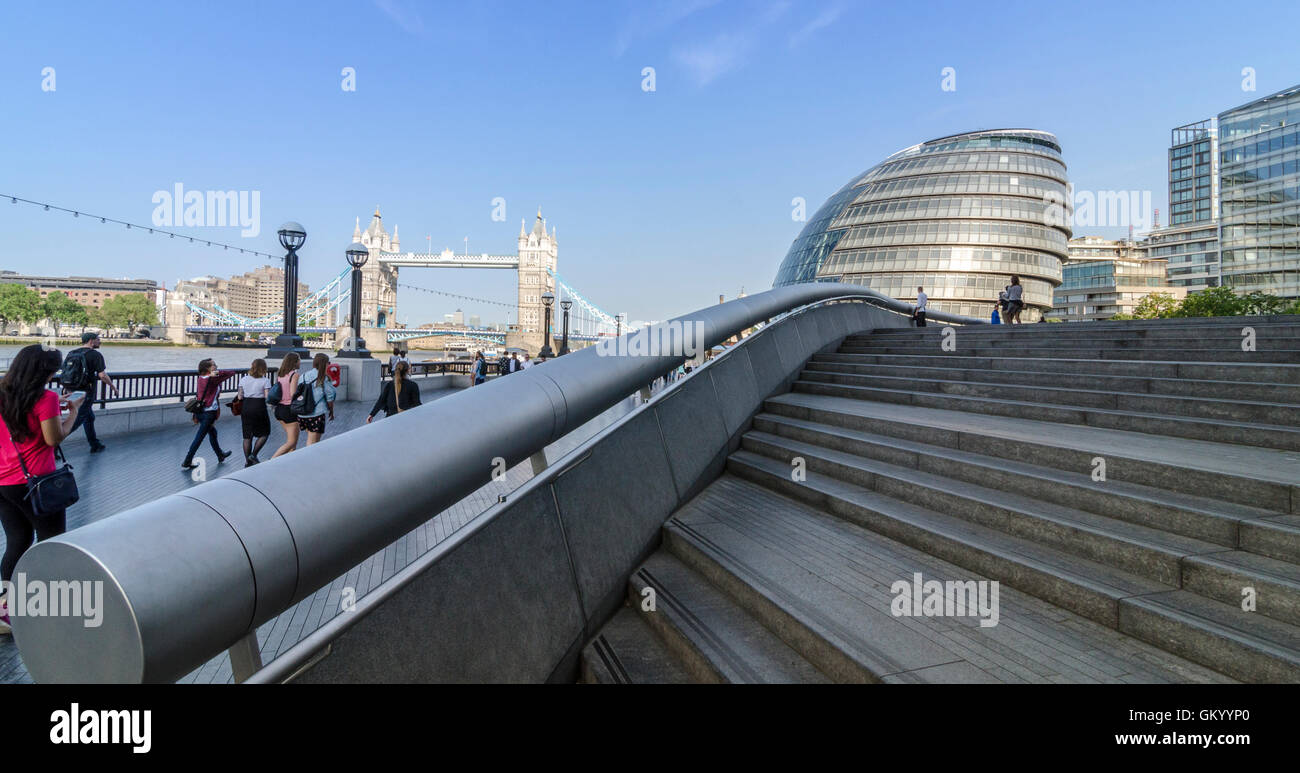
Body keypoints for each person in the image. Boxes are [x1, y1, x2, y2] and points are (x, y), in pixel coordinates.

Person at [0, 346, 83, 635]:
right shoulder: (45, 398)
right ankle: (48, 609)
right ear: (44, 372)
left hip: (4, 482)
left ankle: (5, 610)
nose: (54, 376)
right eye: (53, 371)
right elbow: (53, 439)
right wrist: (72, 413)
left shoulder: (3, 393)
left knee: (17, 541)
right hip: (37, 483)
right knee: (52, 543)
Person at [61, 331, 118, 453]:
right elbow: (102, 375)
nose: (100, 342)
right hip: (86, 392)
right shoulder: (95, 355)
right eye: (98, 339)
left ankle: (94, 444)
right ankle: (53, 445)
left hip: (71, 390)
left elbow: (65, 371)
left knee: (89, 417)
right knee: (76, 420)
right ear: (91, 341)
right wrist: (113, 387)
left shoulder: (72, 353)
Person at [183, 358, 236, 470]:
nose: (216, 366)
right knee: (199, 437)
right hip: (209, 413)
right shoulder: (212, 379)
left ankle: (220, 455)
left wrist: (213, 371)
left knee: (213, 432)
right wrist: (216, 372)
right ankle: (187, 460)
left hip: (200, 412)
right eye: (213, 365)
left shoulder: (201, 378)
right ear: (208, 368)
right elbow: (231, 373)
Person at [237, 358, 272, 466]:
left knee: (247, 436)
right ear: (264, 368)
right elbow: (267, 397)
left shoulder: (243, 379)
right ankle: (253, 455)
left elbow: (240, 396)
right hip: (259, 407)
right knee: (265, 433)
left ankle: (248, 462)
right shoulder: (265, 381)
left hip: (246, 407)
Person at [298, 353, 337, 446]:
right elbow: (330, 396)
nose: (329, 364)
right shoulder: (323, 378)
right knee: (313, 442)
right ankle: (308, 455)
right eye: (328, 363)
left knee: (310, 437)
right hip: (316, 413)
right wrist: (331, 411)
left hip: (303, 413)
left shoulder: (303, 376)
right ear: (324, 364)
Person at [271, 352, 302, 458]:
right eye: (299, 360)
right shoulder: (294, 375)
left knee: (292, 443)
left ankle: (289, 462)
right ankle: (271, 461)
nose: (300, 362)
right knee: (291, 442)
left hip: (279, 409)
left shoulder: (280, 374)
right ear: (294, 362)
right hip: (289, 410)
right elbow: (293, 394)